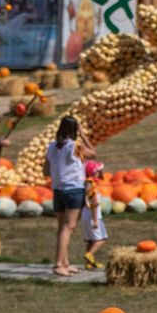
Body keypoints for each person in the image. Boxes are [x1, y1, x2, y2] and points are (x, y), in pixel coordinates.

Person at [43, 116, 96, 277]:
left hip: (58, 190)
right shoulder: (75, 146)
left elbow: (45, 169)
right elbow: (93, 153)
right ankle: (59, 264)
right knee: (69, 227)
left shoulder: (52, 146)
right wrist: (83, 134)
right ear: (74, 130)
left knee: (61, 228)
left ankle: (65, 262)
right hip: (73, 189)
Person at [80, 163, 108, 269]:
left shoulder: (86, 183)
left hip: (85, 215)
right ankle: (90, 255)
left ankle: (89, 264)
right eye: (98, 171)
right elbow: (94, 203)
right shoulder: (93, 186)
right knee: (101, 239)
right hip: (94, 215)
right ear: (94, 172)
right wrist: (96, 220)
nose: (101, 172)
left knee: (90, 240)